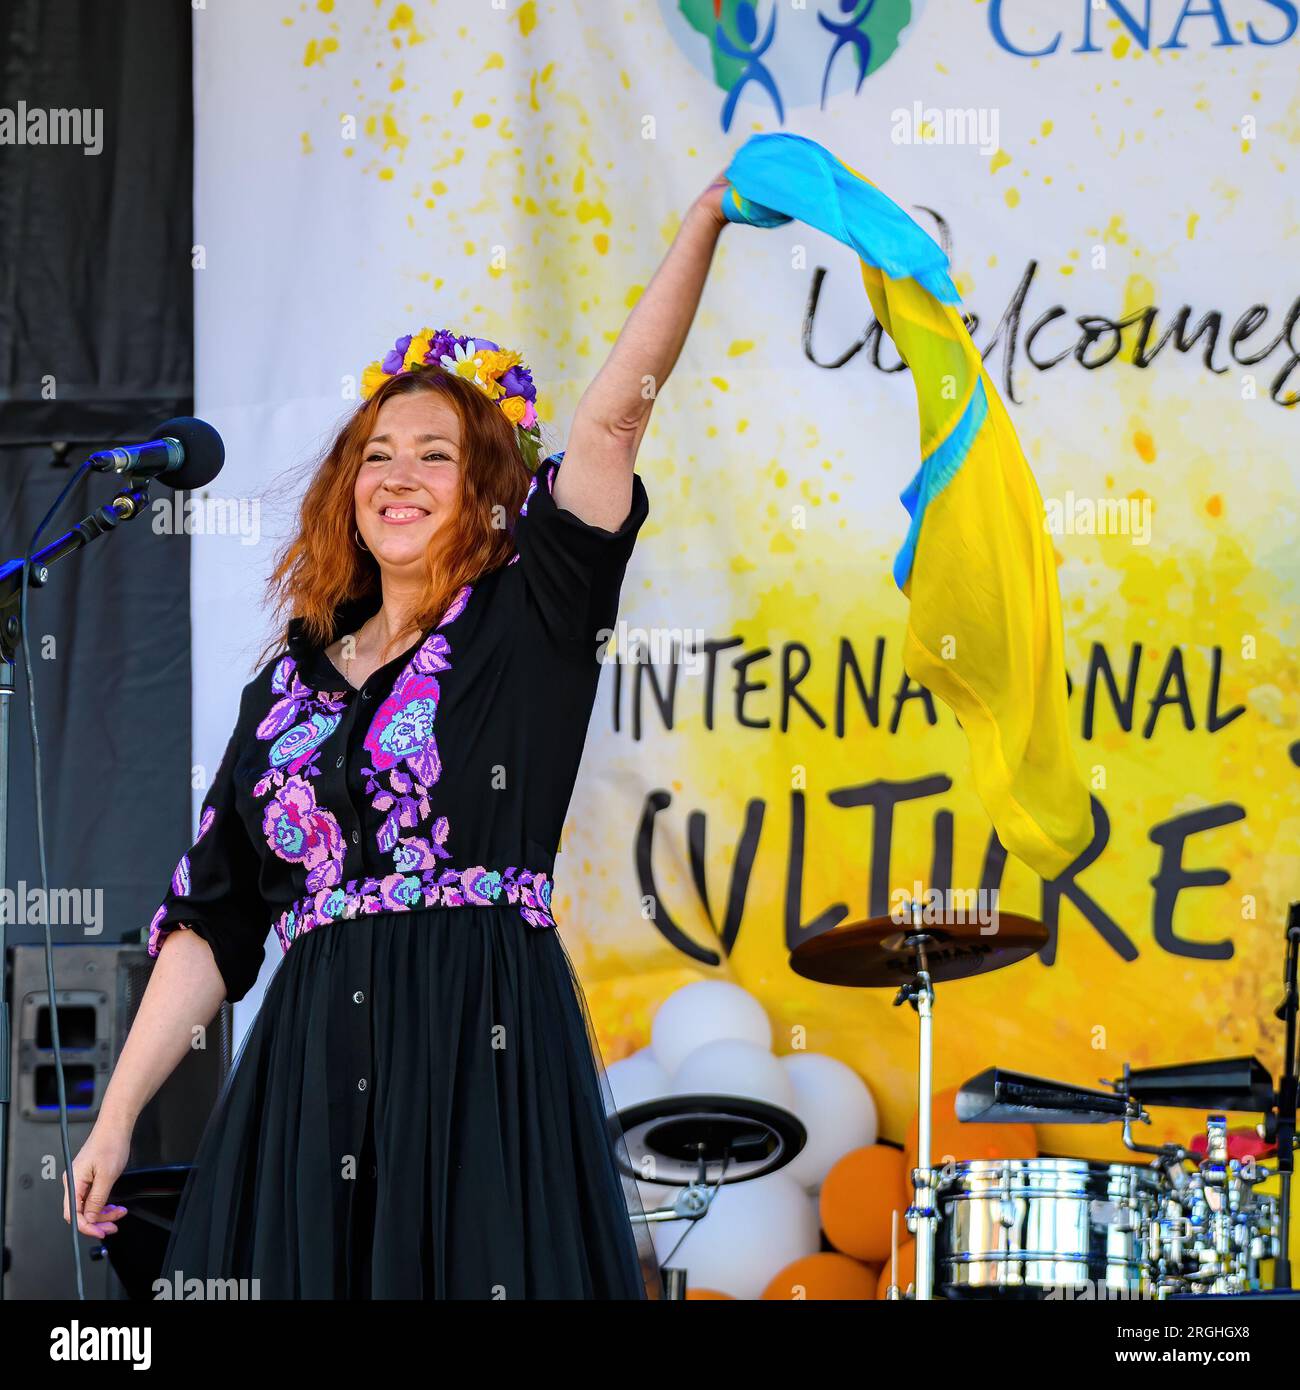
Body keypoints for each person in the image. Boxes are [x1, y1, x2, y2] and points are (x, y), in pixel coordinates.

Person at [62, 170, 735, 1299]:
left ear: (488, 489)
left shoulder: (533, 617)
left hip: (480, 1038)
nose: (398, 475)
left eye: (435, 453)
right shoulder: (289, 685)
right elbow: (214, 918)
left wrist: (704, 220)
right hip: (314, 1059)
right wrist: (116, 1113)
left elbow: (617, 414)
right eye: (377, 453)